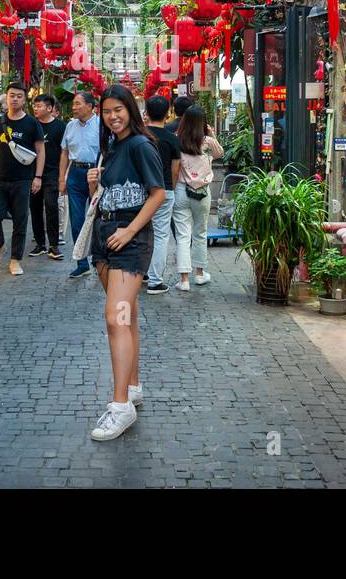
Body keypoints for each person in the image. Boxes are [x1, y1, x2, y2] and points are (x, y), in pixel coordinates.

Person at [87, 85, 166, 442]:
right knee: (127, 314)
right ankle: (132, 386)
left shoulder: (140, 144)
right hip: (105, 236)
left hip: (129, 242)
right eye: (107, 111)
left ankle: (120, 407)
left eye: (118, 110)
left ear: (131, 110)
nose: (113, 116)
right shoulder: (112, 146)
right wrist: (94, 186)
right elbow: (110, 195)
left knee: (115, 317)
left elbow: (158, 193)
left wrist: (130, 230)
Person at [0, 83, 45, 276]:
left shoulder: (32, 124)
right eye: (11, 95)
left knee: (20, 220)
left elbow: (41, 151)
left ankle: (15, 259)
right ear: (6, 98)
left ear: (24, 100)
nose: (15, 99)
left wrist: (38, 177)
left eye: (19, 96)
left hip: (23, 180)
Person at [172, 105, 223, 292]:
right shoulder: (208, 142)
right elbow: (220, 154)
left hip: (181, 190)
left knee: (183, 235)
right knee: (200, 233)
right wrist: (211, 133)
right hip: (202, 192)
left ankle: (184, 279)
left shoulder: (178, 140)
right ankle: (200, 274)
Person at [142, 95, 181, 295]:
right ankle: (155, 281)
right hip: (164, 190)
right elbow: (175, 169)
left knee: (141, 232)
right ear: (168, 114)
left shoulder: (139, 136)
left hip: (142, 191)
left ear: (146, 113)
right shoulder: (172, 138)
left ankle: (141, 274)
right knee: (160, 234)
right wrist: (170, 189)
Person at [60, 91, 100, 279]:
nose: (74, 107)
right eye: (74, 104)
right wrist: (62, 179)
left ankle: (99, 260)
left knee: (99, 219)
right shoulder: (70, 126)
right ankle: (82, 263)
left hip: (96, 174)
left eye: (78, 104)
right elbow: (64, 153)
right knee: (77, 221)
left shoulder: (102, 125)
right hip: (75, 174)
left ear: (91, 106)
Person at [29, 94, 66, 259]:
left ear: (50, 108)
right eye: (34, 106)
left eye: (39, 106)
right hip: (33, 173)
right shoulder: (31, 125)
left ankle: (54, 245)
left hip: (52, 173)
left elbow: (65, 152)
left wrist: (62, 175)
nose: (35, 109)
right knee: (35, 208)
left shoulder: (60, 127)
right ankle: (40, 244)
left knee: (51, 206)